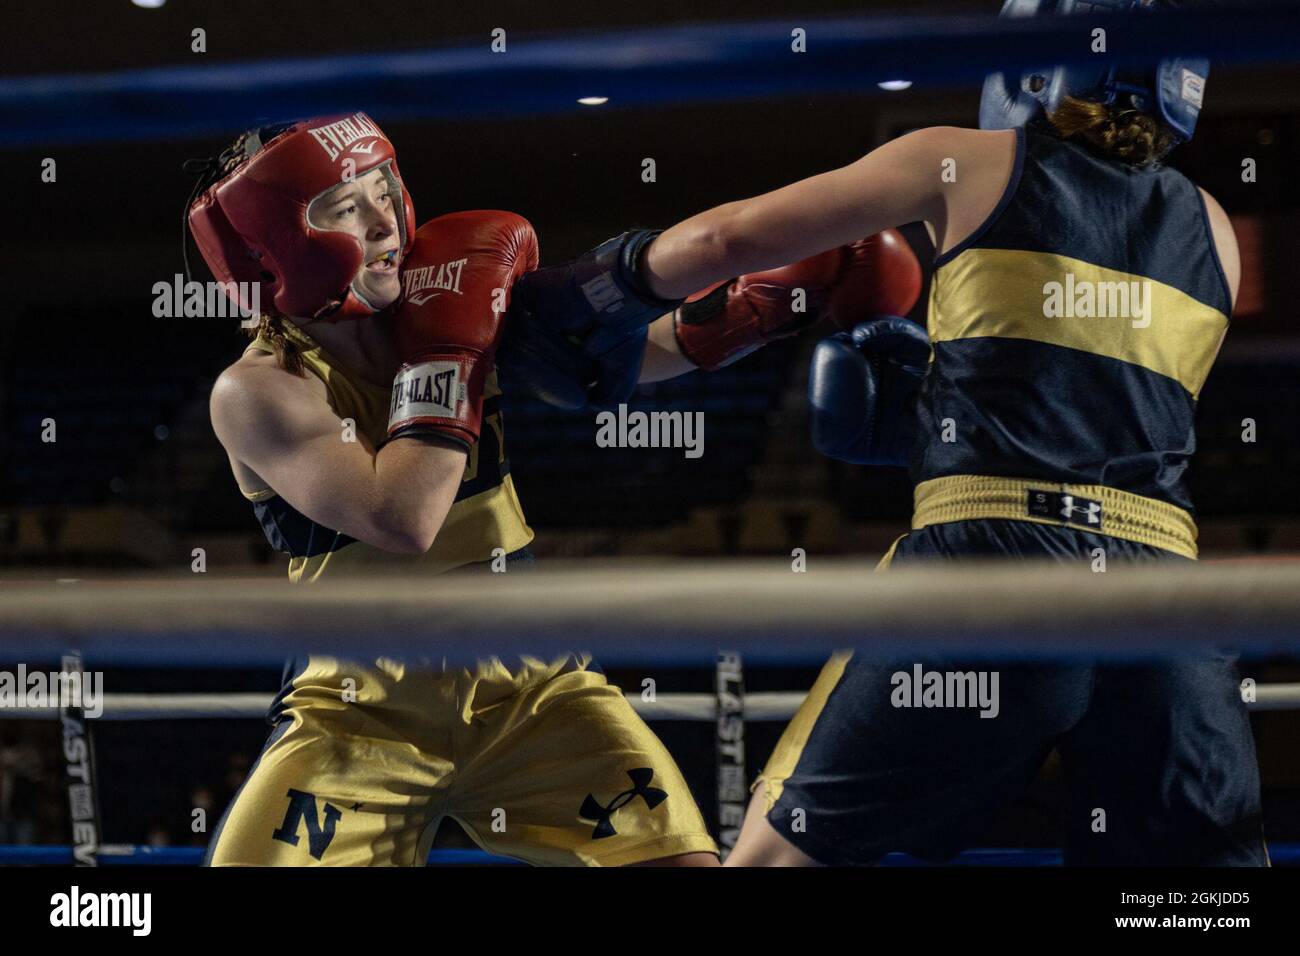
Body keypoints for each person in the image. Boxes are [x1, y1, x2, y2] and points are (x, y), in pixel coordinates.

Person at [501, 0, 1267, 866]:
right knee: (1195, 909)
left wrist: (597, 290)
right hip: (1166, 596)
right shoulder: (1214, 228)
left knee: (774, 859)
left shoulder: (964, 160)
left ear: (1034, 60)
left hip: (994, 573)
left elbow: (722, 237)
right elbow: (1088, 402)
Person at [188, 113, 729, 866]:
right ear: (272, 244)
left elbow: (631, 356)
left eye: (385, 191)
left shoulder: (451, 292)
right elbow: (402, 515)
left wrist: (757, 313)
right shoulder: (259, 391)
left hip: (535, 693)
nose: (384, 221)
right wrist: (450, 349)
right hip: (359, 715)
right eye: (345, 208)